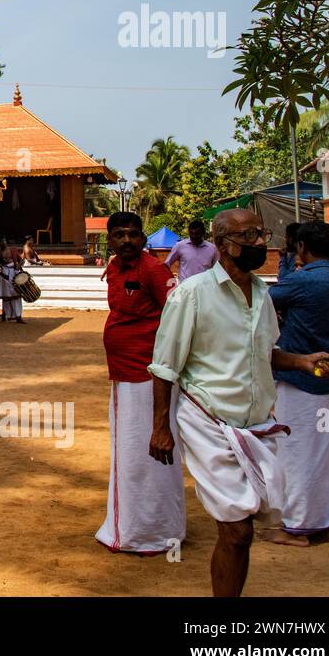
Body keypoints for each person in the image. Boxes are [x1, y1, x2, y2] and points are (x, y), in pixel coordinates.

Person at [148, 209, 329, 596]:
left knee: (243, 531)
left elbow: (263, 352)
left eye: (260, 233)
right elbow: (164, 368)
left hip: (255, 425)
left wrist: (302, 360)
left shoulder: (264, 294)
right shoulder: (191, 294)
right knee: (237, 530)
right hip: (208, 423)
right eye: (247, 235)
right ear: (221, 244)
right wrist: (161, 427)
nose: (258, 242)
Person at [95, 211, 185, 554]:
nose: (127, 240)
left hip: (148, 378)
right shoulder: (115, 269)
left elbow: (177, 316)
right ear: (110, 239)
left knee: (145, 453)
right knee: (131, 453)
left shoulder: (153, 270)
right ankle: (144, 526)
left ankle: (144, 533)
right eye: (119, 235)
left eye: (133, 234)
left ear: (143, 237)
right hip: (124, 377)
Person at [261, 221, 329, 546]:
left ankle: (298, 524)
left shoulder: (303, 282)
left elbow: (266, 298)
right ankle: (322, 516)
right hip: (328, 380)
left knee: (296, 451)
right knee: (323, 450)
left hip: (301, 379)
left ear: (302, 248)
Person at [0, 239, 26, 323]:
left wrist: (18, 265)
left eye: (3, 241)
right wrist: (3, 275)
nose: (2, 243)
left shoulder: (13, 250)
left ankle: (18, 316)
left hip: (15, 273)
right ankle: (6, 314)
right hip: (5, 275)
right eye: (0, 242)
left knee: (16, 294)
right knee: (6, 296)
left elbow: (22, 260)